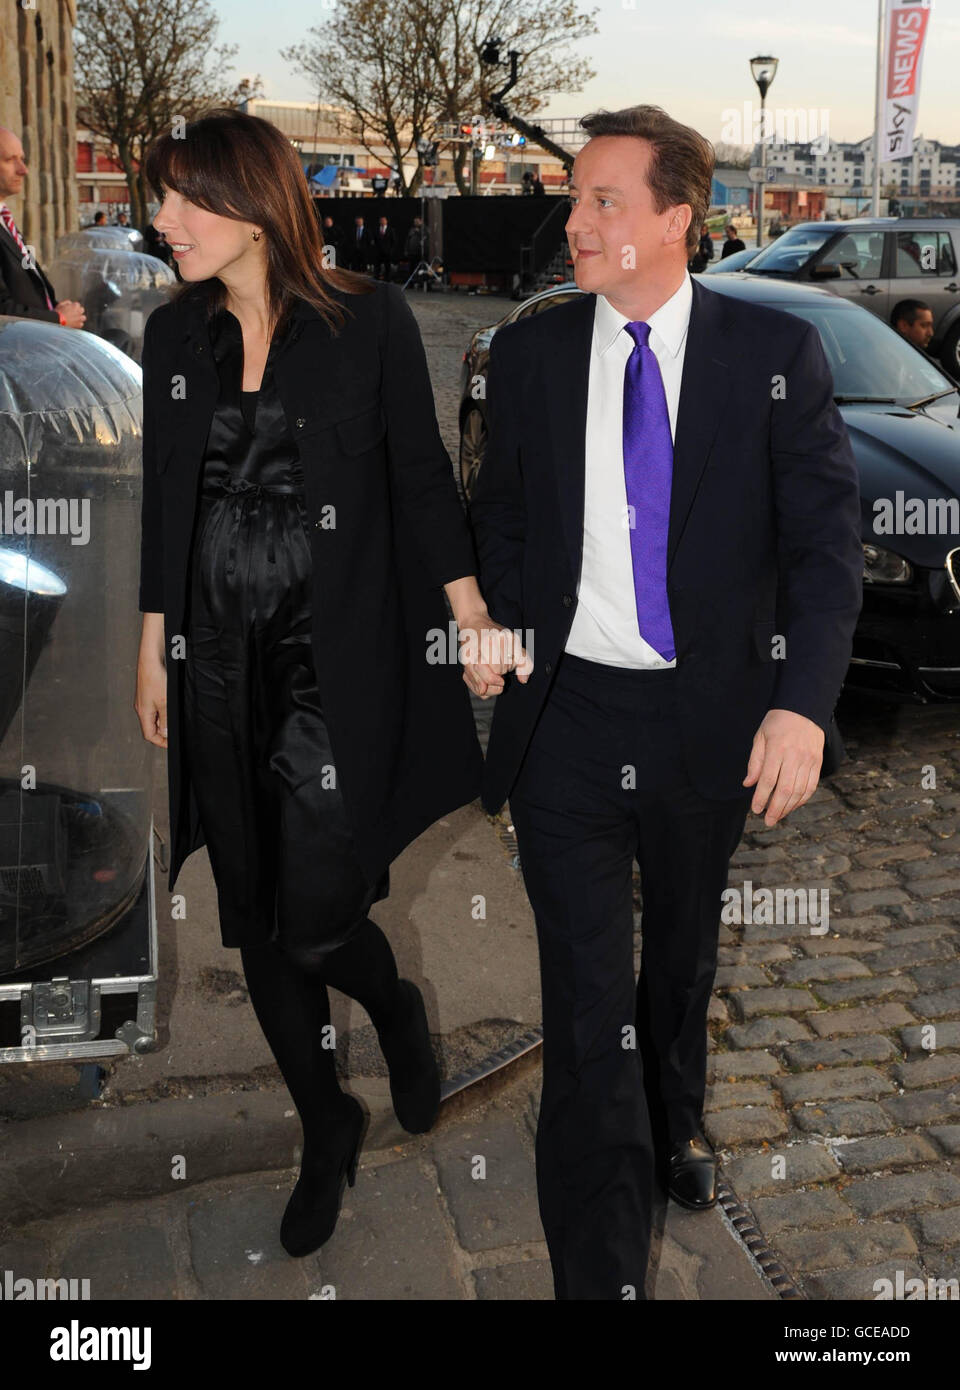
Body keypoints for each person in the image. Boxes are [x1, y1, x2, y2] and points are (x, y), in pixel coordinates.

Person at [467, 103, 863, 1300]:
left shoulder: (772, 361)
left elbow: (827, 549)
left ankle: (679, 1114)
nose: (575, 221)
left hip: (709, 727)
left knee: (678, 965)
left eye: (603, 201)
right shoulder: (533, 355)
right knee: (589, 1010)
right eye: (575, 197)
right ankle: (603, 1277)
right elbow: (505, 522)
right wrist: (484, 629)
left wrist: (800, 707)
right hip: (569, 729)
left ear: (675, 220)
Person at [135, 108, 511, 1260]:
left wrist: (473, 617)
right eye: (159, 199)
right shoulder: (171, 336)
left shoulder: (368, 322)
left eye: (183, 200)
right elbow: (165, 504)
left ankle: (394, 1007)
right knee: (251, 920)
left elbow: (419, 487)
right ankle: (325, 1121)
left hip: (330, 668)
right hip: (215, 662)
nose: (162, 222)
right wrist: (153, 643)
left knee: (315, 916)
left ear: (253, 205)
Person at [0, 125, 85, 328]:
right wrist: (59, 319)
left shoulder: (5, 220)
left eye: (22, 158)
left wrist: (56, 309)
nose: (23, 169)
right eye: (9, 160)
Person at [891, 297, 960, 385]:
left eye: (930, 326)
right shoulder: (892, 363)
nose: (930, 333)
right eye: (924, 326)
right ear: (903, 325)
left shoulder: (917, 360)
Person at [372, 215, 399, 281]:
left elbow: (394, 241)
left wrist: (391, 251)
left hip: (387, 252)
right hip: (378, 252)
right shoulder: (376, 229)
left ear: (386, 221)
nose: (382, 221)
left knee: (387, 267)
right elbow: (374, 240)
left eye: (384, 220)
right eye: (381, 220)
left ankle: (387, 280)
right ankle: (376, 280)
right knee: (377, 267)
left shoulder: (391, 230)